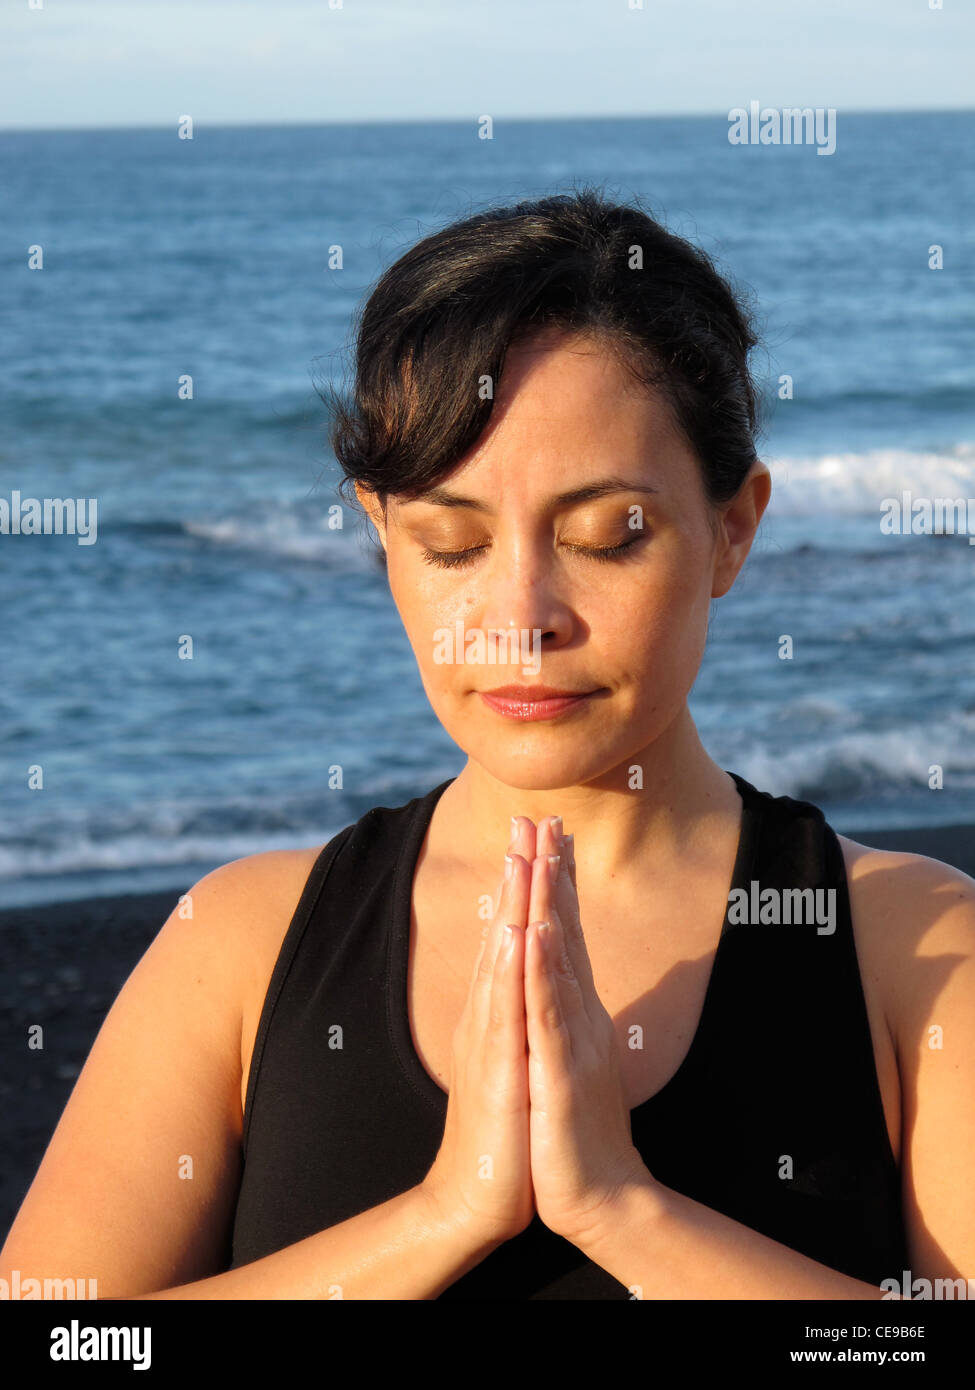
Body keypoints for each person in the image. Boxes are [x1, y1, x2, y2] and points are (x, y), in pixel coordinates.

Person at [3, 188, 974, 1300]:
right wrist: (442, 1216)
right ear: (382, 537)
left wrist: (626, 1210)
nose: (521, 613)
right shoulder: (240, 943)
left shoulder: (916, 950)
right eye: (451, 542)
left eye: (610, 535)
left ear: (733, 529)